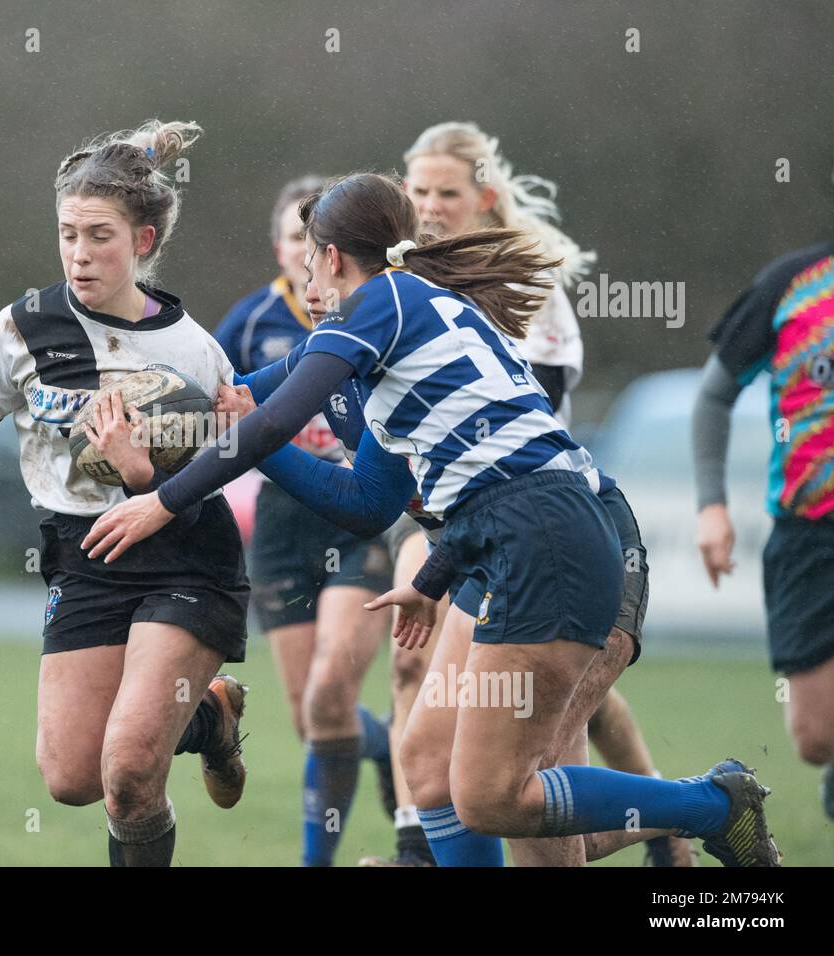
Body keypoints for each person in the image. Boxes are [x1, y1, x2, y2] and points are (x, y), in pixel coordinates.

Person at [83, 171, 781, 867]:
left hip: (548, 536)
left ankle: (712, 805)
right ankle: (692, 814)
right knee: (430, 770)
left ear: (329, 258)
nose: (303, 269)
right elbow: (351, 492)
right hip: (508, 540)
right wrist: (137, 419)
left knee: (498, 802)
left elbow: (265, 425)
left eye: (310, 251)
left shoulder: (382, 302)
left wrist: (162, 501)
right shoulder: (376, 341)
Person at [0, 120, 250, 867]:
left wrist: (147, 468)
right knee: (73, 779)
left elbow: (220, 482)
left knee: (129, 777)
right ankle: (209, 719)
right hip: (80, 560)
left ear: (143, 242)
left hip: (185, 562)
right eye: (68, 234)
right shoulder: (22, 329)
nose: (80, 254)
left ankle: (177, 730)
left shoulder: (196, 354)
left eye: (100, 236)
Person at [362, 121, 688, 867]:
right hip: (474, 540)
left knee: (521, 786)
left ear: (485, 196)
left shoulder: (525, 293)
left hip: (549, 530)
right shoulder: (403, 300)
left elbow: (498, 444)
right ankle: (672, 815)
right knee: (454, 760)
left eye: (448, 192)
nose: (432, 205)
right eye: (419, 191)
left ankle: (686, 810)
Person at [212, 175, 395, 866]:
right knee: (309, 718)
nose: (304, 252)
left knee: (328, 696)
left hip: (360, 517)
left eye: (315, 240)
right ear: (277, 246)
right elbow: (212, 401)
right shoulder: (253, 321)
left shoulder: (369, 314)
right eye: (293, 238)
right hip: (285, 521)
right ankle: (387, 745)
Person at [693, 237, 834, 821]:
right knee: (815, 736)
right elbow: (714, 397)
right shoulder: (794, 282)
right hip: (809, 534)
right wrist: (712, 506)